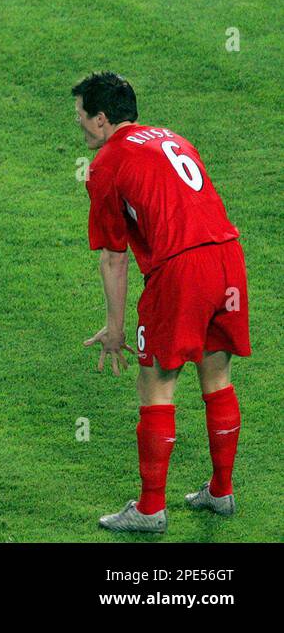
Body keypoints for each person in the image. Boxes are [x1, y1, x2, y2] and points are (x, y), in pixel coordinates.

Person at [74, 72, 249, 533]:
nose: (79, 126)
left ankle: (151, 509)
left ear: (102, 119)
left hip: (180, 271)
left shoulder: (108, 161)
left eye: (82, 118)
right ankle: (221, 491)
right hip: (227, 258)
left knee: (156, 384)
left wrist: (114, 330)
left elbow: (115, 258)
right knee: (216, 375)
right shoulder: (174, 137)